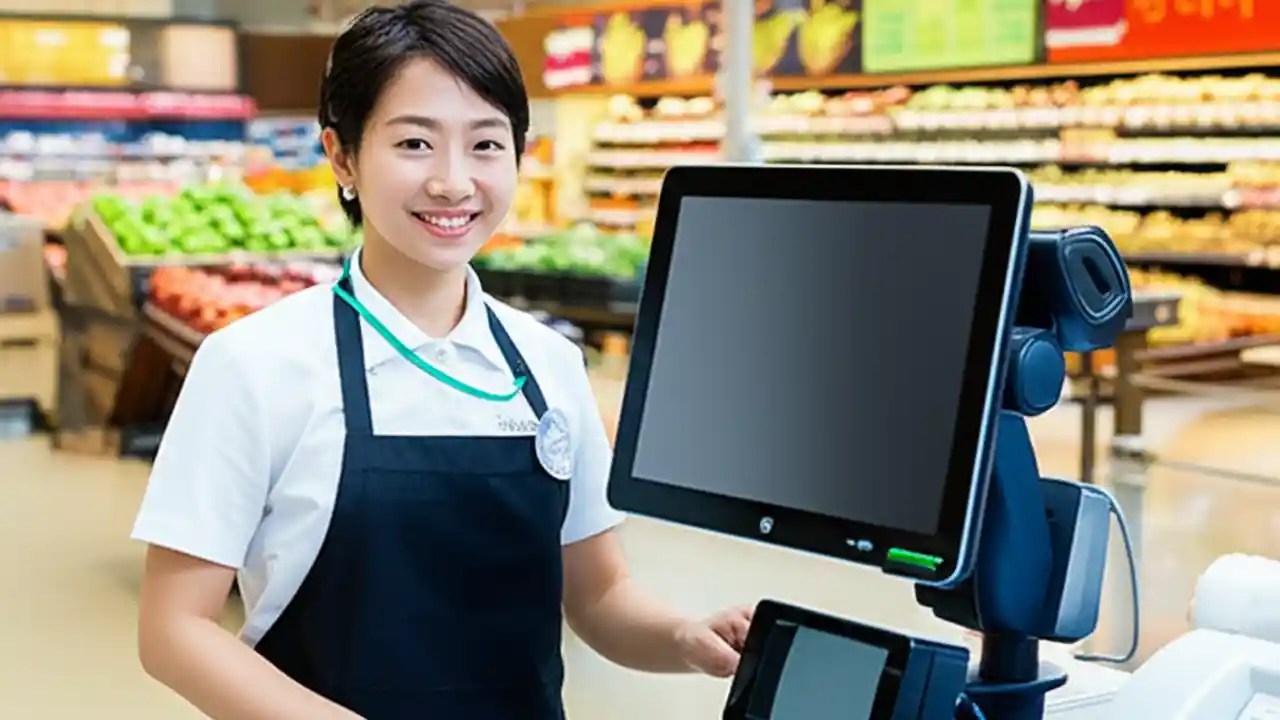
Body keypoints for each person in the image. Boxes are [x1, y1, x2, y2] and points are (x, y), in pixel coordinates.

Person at [130, 3, 753, 719]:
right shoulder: (254, 364)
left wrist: (684, 636)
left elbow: (599, 596)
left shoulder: (549, 364)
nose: (454, 182)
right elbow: (173, 629)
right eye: (416, 144)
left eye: (486, 145)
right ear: (342, 156)